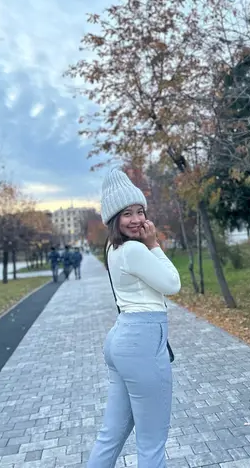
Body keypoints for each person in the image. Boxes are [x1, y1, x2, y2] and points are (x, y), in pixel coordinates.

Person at [87, 168, 181, 468]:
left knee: (110, 435)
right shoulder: (134, 251)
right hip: (142, 342)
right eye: (127, 213)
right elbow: (172, 284)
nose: (137, 219)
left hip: (122, 340)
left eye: (140, 211)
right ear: (113, 219)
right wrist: (154, 245)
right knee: (152, 443)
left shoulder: (112, 248)